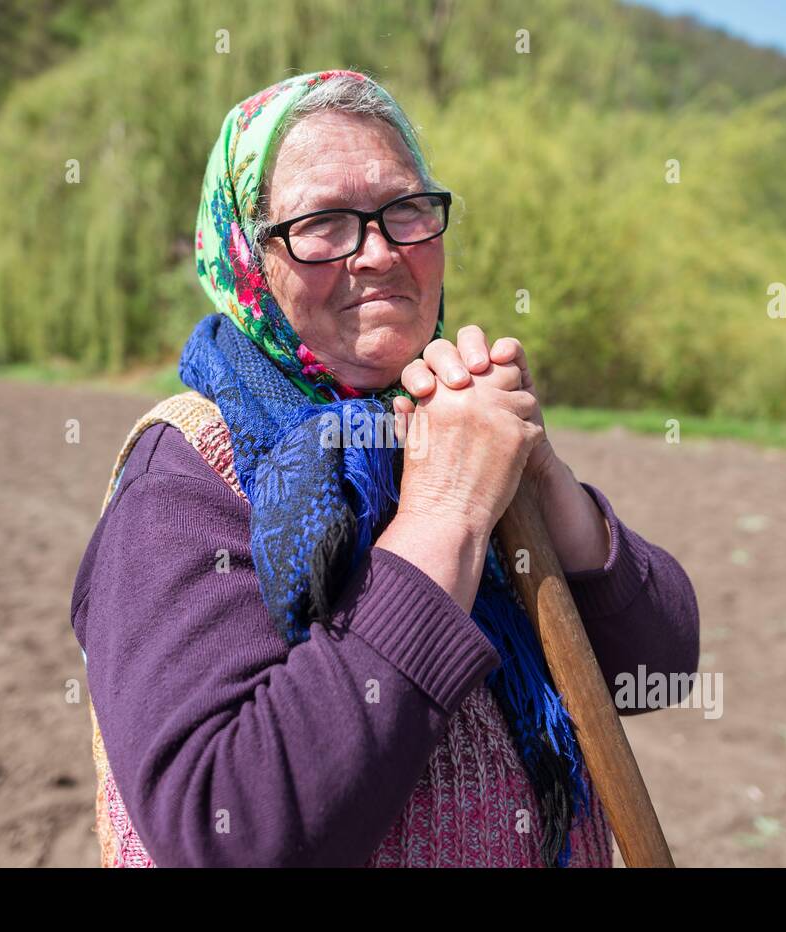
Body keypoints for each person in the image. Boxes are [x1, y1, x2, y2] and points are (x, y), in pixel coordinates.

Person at [70, 69, 700, 867]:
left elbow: (658, 669)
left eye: (405, 210)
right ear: (247, 257)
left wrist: (541, 478)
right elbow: (228, 827)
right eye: (324, 223)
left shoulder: (442, 420)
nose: (376, 253)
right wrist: (447, 516)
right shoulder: (189, 473)